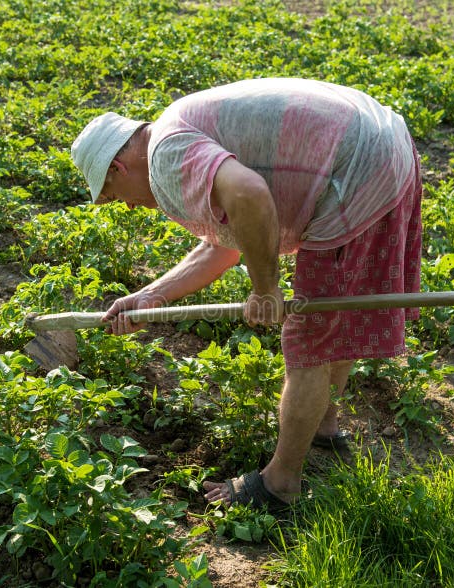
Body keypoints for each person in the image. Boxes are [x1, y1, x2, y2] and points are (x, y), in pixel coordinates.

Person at [70, 78, 422, 512]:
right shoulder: (173, 132)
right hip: (384, 145)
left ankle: (280, 484)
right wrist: (150, 296)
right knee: (333, 316)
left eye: (111, 196)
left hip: (358, 169)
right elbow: (226, 243)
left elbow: (250, 195)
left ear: (118, 169)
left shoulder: (165, 157)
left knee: (310, 339)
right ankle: (322, 427)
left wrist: (266, 289)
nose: (125, 205)